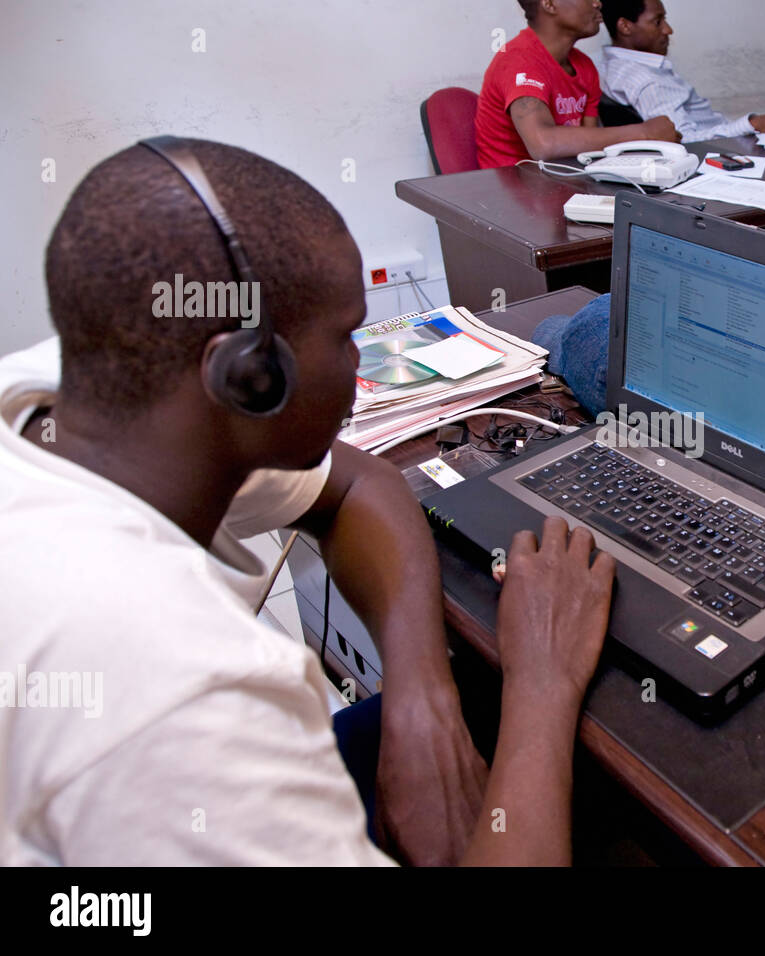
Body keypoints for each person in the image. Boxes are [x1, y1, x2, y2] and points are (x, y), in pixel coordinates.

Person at [0, 137, 616, 866]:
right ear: (248, 376)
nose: (361, 363)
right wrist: (542, 683)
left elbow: (360, 483)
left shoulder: (97, 386)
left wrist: (422, 706)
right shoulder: (181, 691)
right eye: (345, 337)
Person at [475, 0, 680, 167]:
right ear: (549, 4)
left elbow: (590, 149)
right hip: (511, 193)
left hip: (561, 181)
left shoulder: (584, 66)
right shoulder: (519, 60)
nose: (598, 3)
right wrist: (644, 133)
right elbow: (543, 143)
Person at [600, 0, 765, 143]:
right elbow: (683, 140)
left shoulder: (611, 65)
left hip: (722, 139)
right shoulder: (646, 80)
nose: (668, 30)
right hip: (715, 152)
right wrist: (753, 123)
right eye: (658, 22)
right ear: (625, 26)